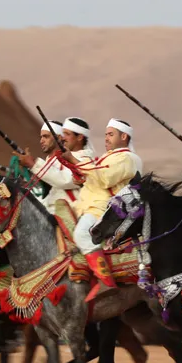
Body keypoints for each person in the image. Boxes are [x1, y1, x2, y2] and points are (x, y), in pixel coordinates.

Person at [65, 119, 142, 301]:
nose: (106, 138)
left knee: (82, 235)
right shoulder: (109, 157)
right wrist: (81, 176)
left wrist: (74, 160)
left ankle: (105, 281)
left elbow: (106, 178)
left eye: (111, 134)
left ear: (124, 136)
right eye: (106, 134)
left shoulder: (128, 158)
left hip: (105, 209)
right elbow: (96, 177)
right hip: (87, 206)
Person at [14, 118, 94, 214]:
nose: (63, 138)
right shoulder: (60, 158)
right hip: (52, 208)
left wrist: (33, 164)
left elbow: (65, 180)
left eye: (67, 134)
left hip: (72, 211)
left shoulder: (85, 160)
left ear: (80, 137)